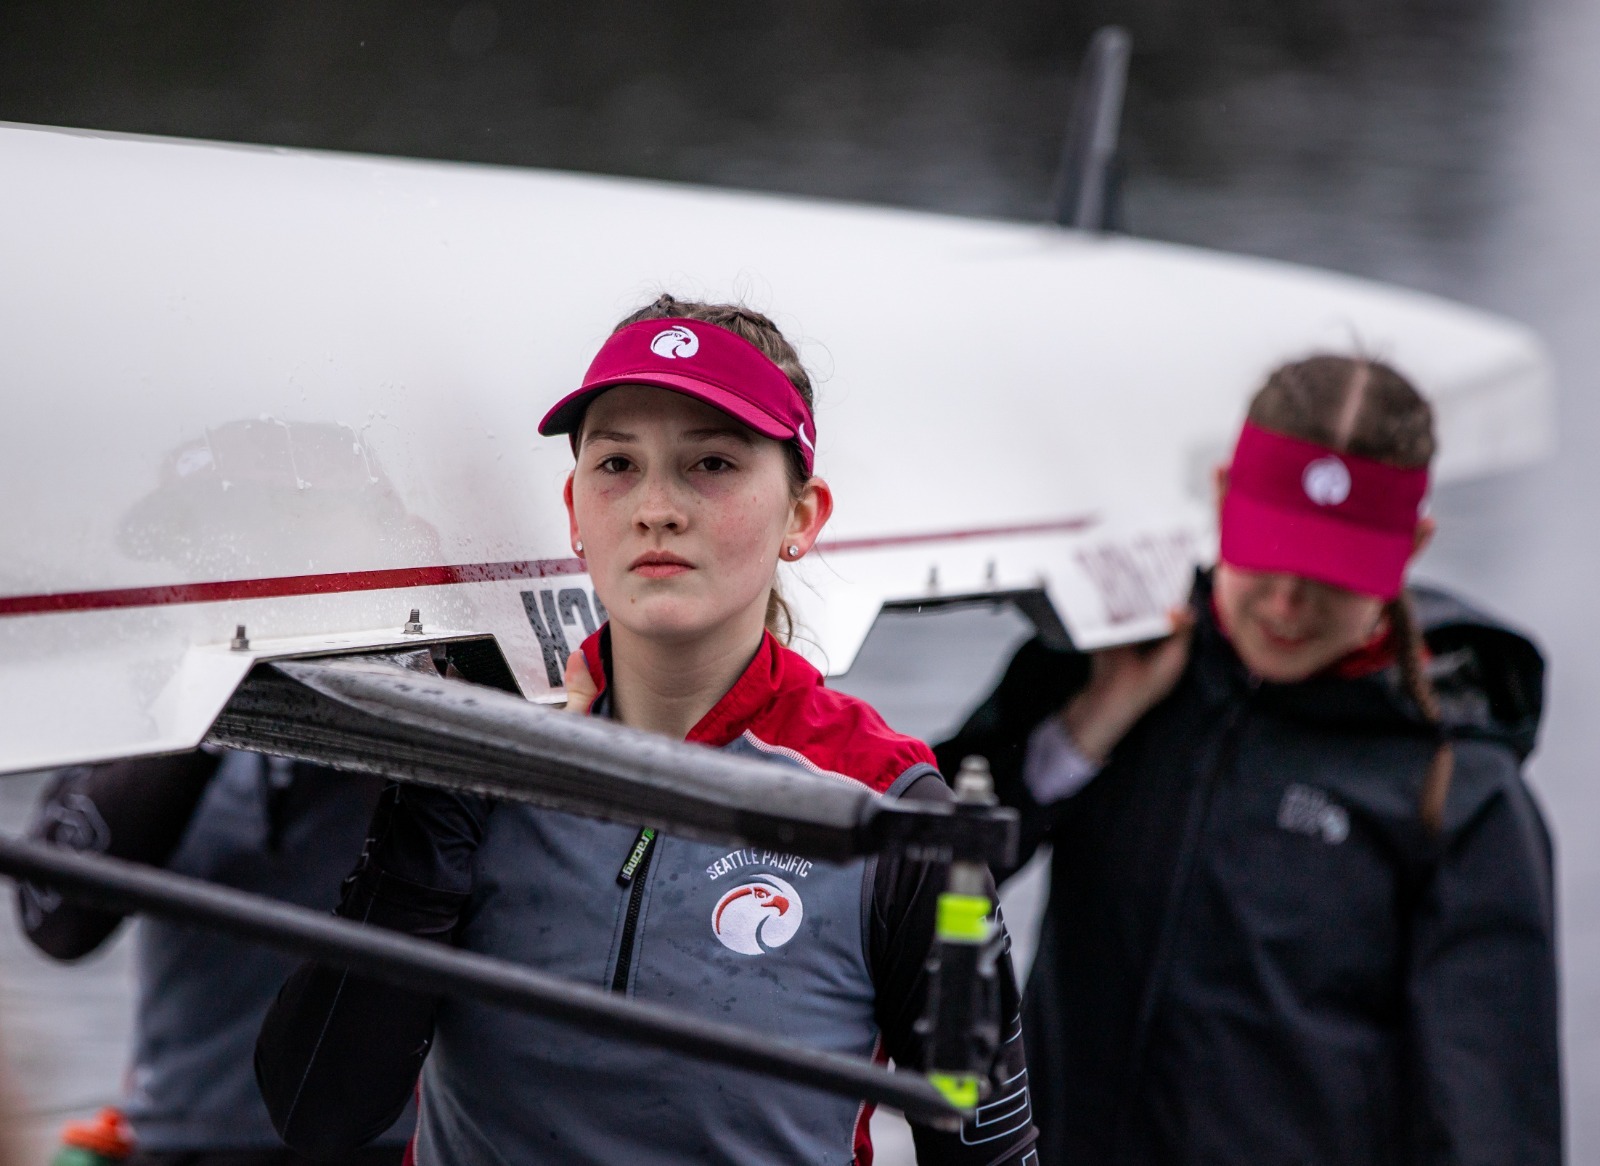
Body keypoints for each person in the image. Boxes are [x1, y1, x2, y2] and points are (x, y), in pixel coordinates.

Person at [255, 295, 1040, 1165]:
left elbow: (995, 1150)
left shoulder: (889, 807)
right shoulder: (483, 752)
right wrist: (440, 791)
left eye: (710, 463)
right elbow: (316, 1111)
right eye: (618, 464)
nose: (656, 508)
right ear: (574, 512)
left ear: (801, 516)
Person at [937, 355, 1559, 1165]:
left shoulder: (1462, 785)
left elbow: (1491, 1121)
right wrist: (1087, 730)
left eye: (1330, 575)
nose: (1286, 604)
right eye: (1269, 552)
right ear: (1225, 495)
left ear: (1412, 545)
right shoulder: (1102, 662)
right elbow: (919, 880)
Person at [17, 751, 413, 1166]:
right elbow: (56, 926)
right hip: (182, 1134)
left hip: (394, 1137)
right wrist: (211, 707)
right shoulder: (157, 700)